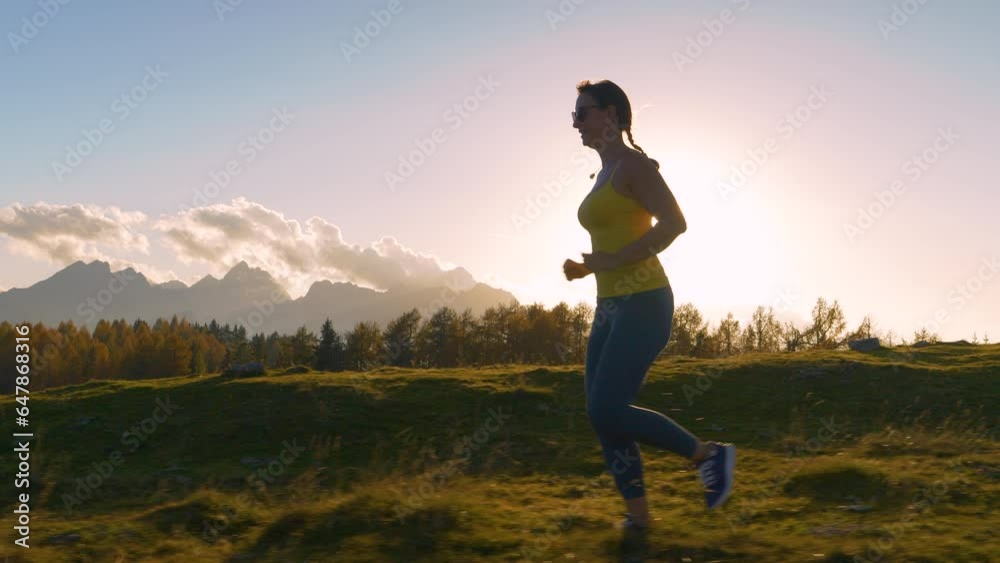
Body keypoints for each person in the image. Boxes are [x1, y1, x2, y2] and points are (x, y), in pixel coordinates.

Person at [562, 79, 735, 531]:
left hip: (644, 302)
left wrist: (613, 260)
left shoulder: (633, 166)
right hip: (609, 305)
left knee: (607, 408)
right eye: (573, 115)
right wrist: (591, 269)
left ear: (612, 116)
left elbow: (675, 222)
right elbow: (614, 238)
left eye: (583, 113)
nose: (575, 123)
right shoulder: (602, 173)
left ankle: (708, 455)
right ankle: (638, 519)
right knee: (602, 415)